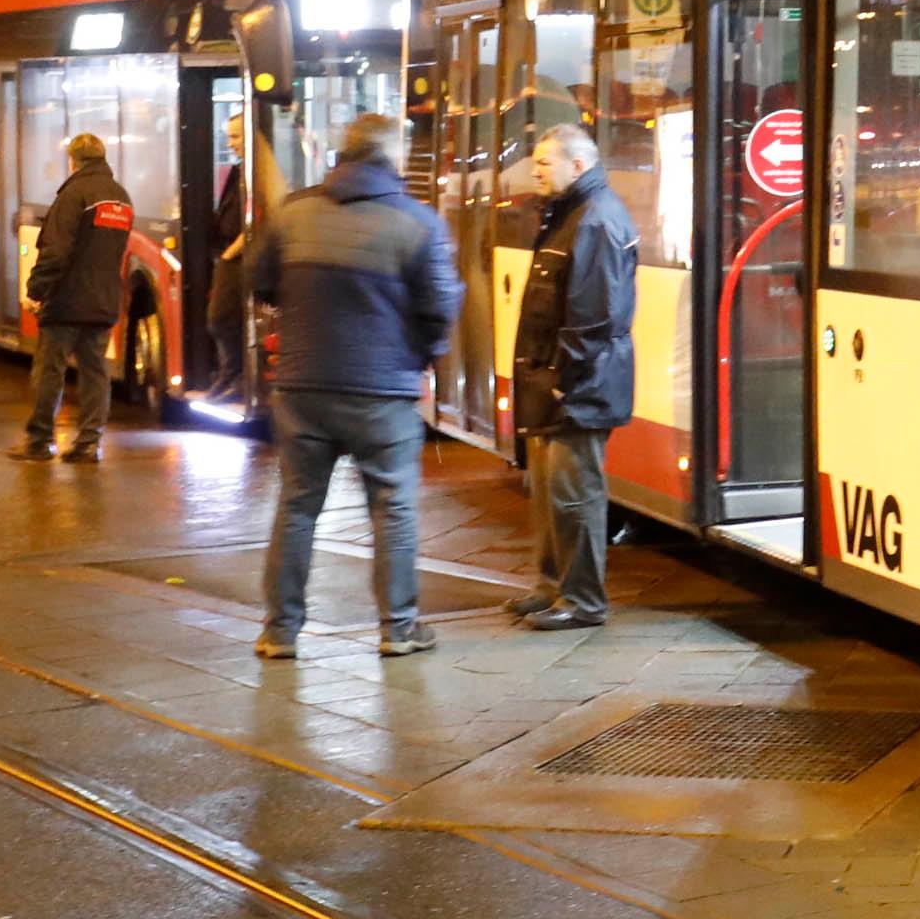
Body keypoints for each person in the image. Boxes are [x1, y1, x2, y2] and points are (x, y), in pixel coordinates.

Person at [252, 113, 459, 661]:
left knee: (298, 506)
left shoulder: (292, 213)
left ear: (343, 153)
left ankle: (280, 631)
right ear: (394, 158)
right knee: (392, 508)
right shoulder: (419, 224)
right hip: (382, 391)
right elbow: (440, 308)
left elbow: (260, 281)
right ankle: (399, 628)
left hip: (302, 386)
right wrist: (421, 355)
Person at [506, 121, 636, 632]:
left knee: (574, 493)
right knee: (548, 491)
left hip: (578, 385)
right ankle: (551, 586)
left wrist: (562, 379)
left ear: (577, 165)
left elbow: (595, 316)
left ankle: (583, 600)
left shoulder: (595, 220)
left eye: (544, 162)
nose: (535, 170)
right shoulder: (571, 213)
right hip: (556, 382)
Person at [20, 130, 134, 462]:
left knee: (49, 371)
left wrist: (36, 291)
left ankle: (39, 441)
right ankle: (88, 444)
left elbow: (56, 252)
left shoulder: (73, 195)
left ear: (73, 161)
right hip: (104, 300)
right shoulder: (120, 197)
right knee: (95, 373)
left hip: (67, 301)